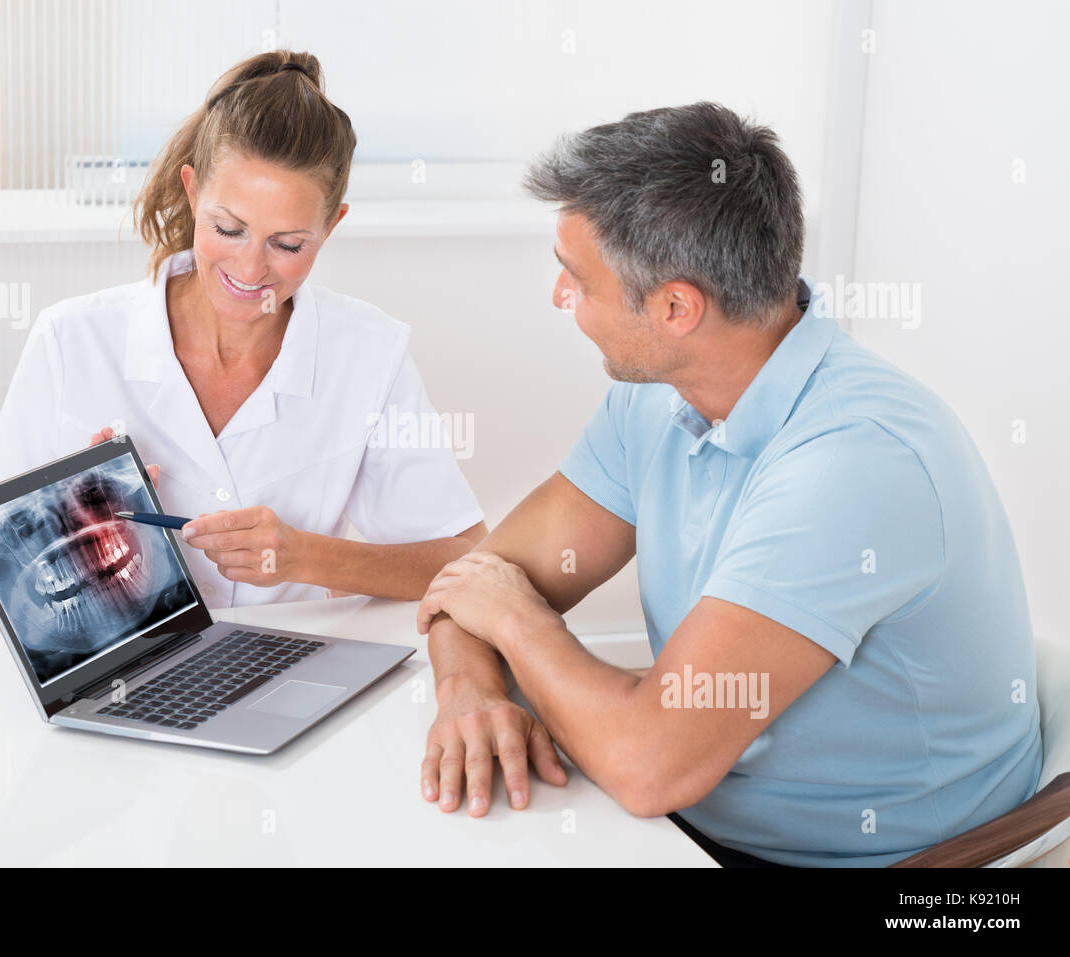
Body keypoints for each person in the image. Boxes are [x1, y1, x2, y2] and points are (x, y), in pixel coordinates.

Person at [414, 102, 1043, 867]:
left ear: (677, 307)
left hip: (889, 862)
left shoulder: (852, 465)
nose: (559, 297)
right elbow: (471, 586)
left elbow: (649, 765)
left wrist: (516, 624)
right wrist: (468, 692)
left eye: (577, 279)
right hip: (698, 814)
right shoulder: (657, 395)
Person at [0, 51, 487, 606]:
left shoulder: (368, 353)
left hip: (290, 669)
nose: (250, 270)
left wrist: (305, 555)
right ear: (193, 192)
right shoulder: (72, 341)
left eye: (288, 244)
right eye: (229, 228)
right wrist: (77, 531)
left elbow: (464, 561)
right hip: (125, 683)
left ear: (331, 225)